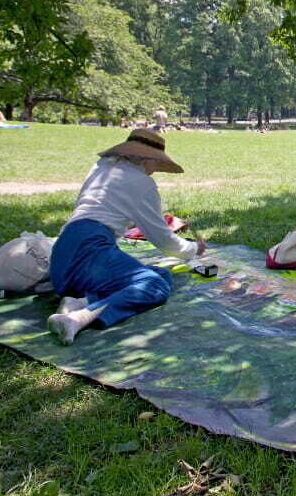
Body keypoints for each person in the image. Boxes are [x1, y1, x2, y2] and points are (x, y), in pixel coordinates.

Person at [46, 128, 205, 345]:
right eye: (156, 163)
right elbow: (164, 240)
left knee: (162, 275)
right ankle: (78, 318)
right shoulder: (142, 182)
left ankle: (81, 302)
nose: (155, 170)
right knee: (154, 285)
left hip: (61, 259)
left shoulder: (101, 167)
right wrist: (193, 248)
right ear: (148, 158)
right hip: (89, 250)